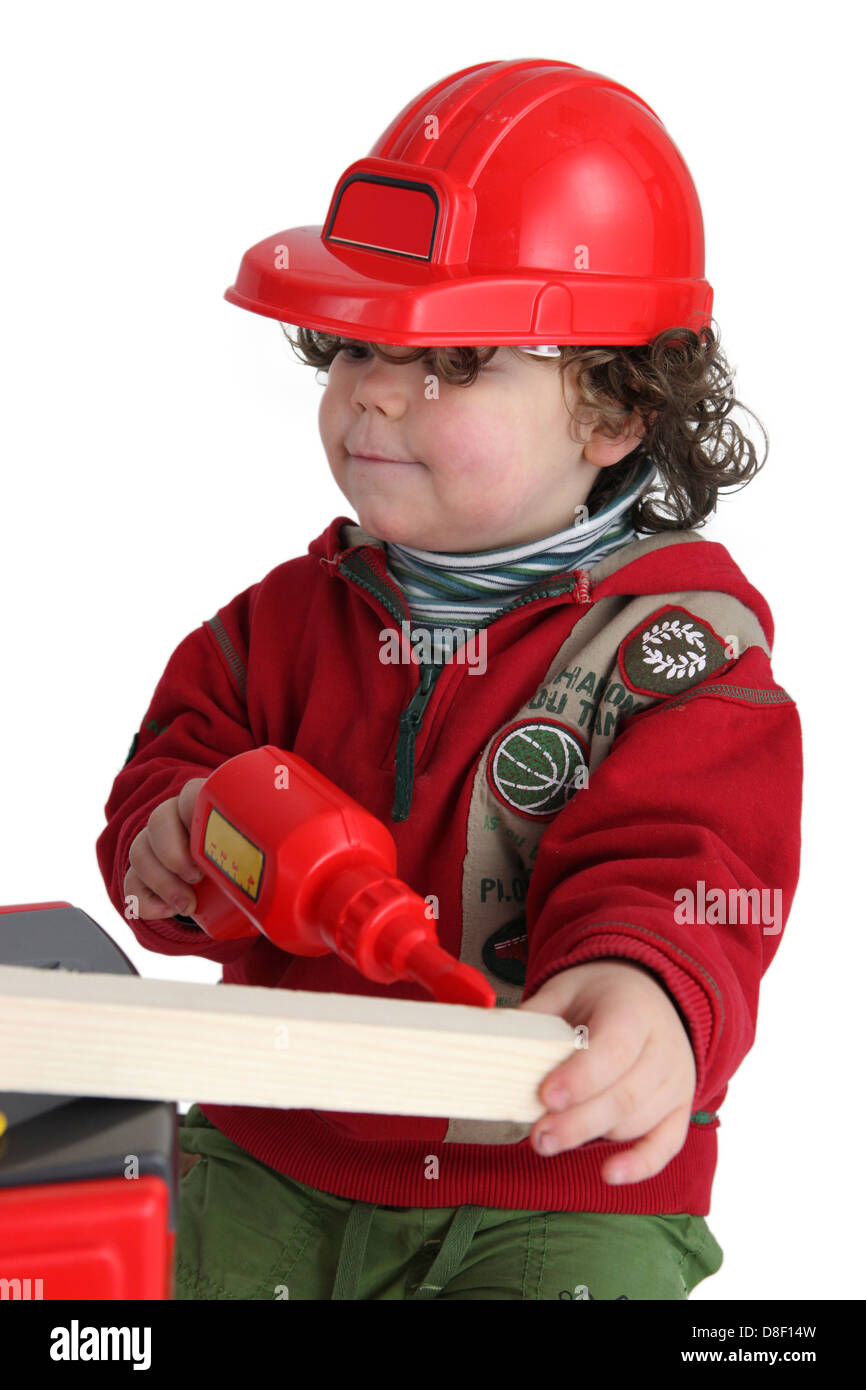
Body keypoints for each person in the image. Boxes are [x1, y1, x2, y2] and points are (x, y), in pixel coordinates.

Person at [95, 58, 802, 1300]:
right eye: (351, 344)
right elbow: (170, 787)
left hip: (552, 1180)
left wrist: (646, 986)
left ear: (614, 412)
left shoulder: (679, 659)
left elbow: (696, 864)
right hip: (272, 1154)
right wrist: (173, 843)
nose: (373, 388)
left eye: (456, 359)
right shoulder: (274, 627)